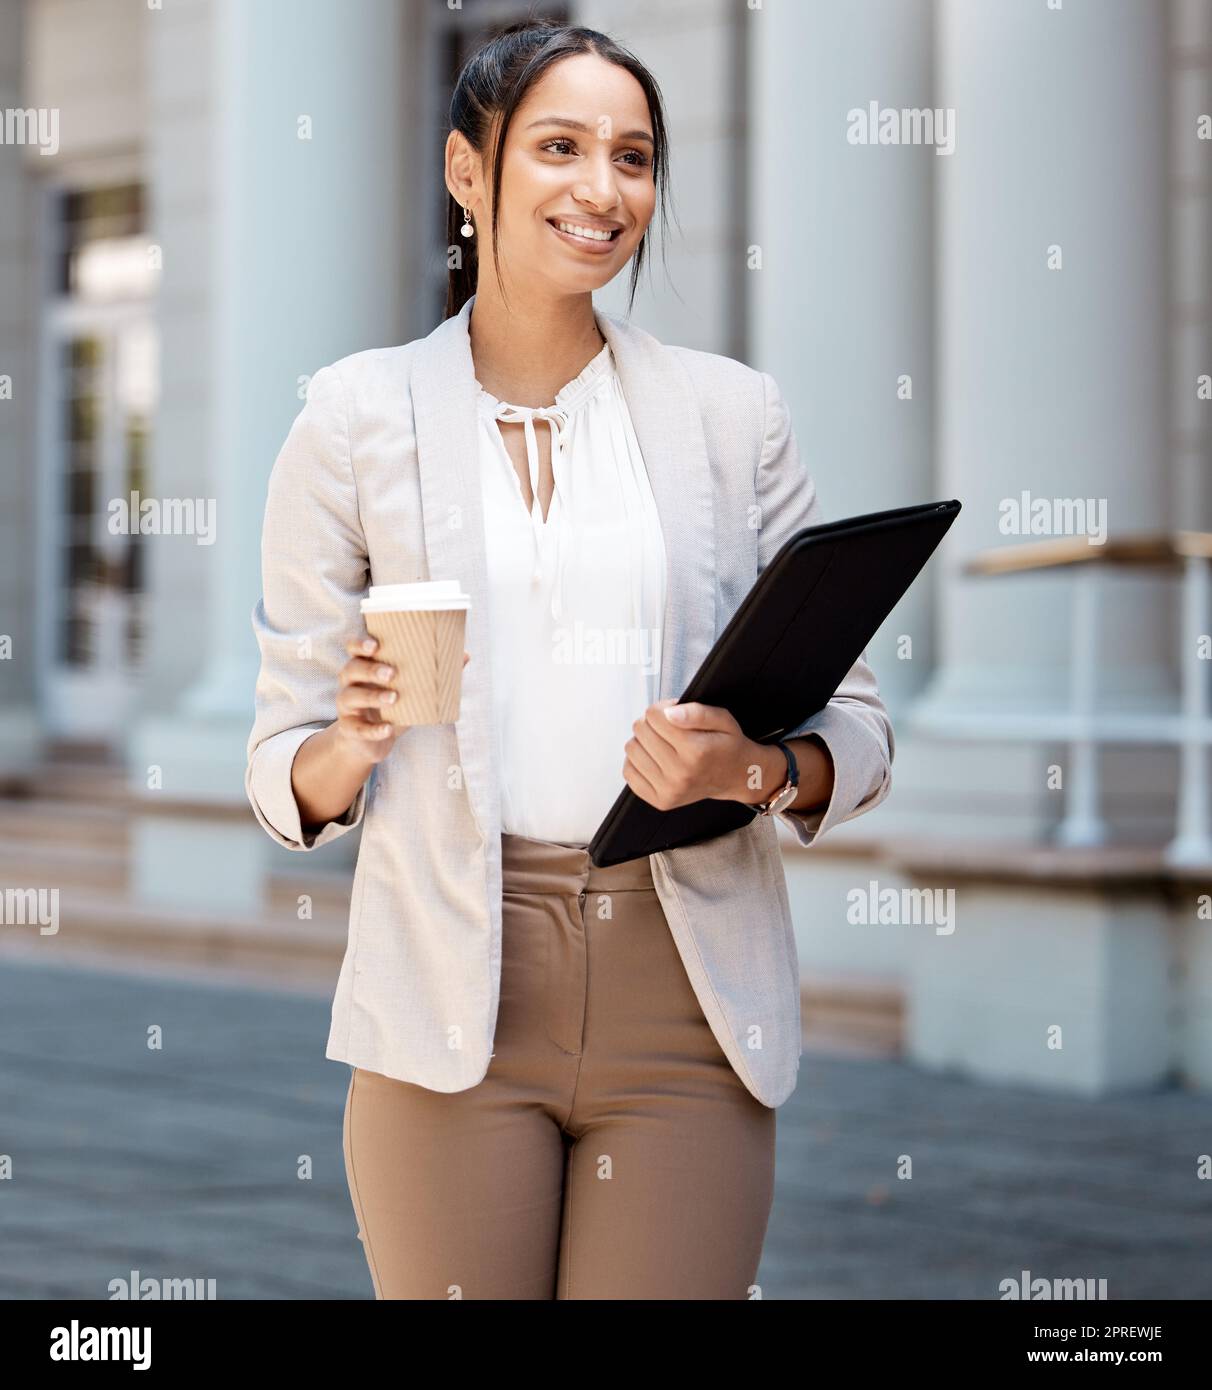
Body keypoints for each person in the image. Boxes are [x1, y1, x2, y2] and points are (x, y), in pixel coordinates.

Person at [245, 17, 894, 1300]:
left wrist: (758, 768)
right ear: (466, 172)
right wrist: (353, 739)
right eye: (559, 147)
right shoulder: (353, 419)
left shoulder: (732, 417)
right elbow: (283, 769)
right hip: (452, 995)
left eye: (634, 157)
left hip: (687, 994)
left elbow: (858, 728)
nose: (604, 189)